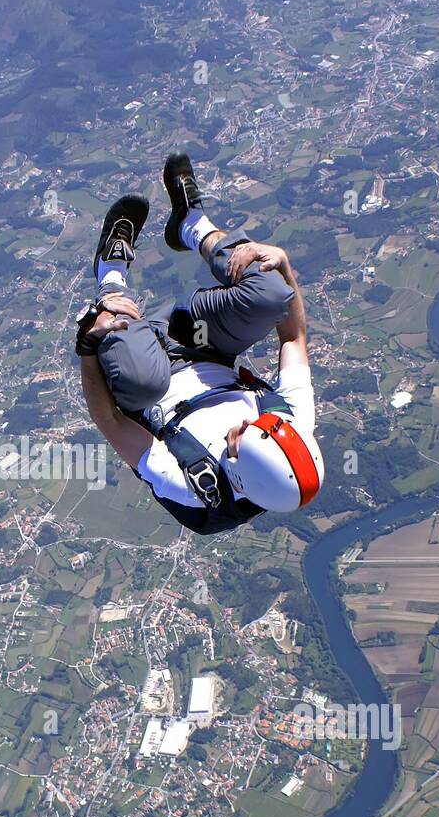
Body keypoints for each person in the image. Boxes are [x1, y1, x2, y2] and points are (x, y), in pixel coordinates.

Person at [74, 153, 324, 535]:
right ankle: (192, 224)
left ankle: (110, 275)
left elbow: (110, 422)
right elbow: (293, 336)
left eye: (242, 438)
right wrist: (283, 265)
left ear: (239, 472)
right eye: (259, 423)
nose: (247, 422)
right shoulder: (290, 425)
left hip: (149, 375)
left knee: (144, 381)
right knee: (273, 295)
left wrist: (89, 348)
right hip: (200, 342)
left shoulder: (192, 485)